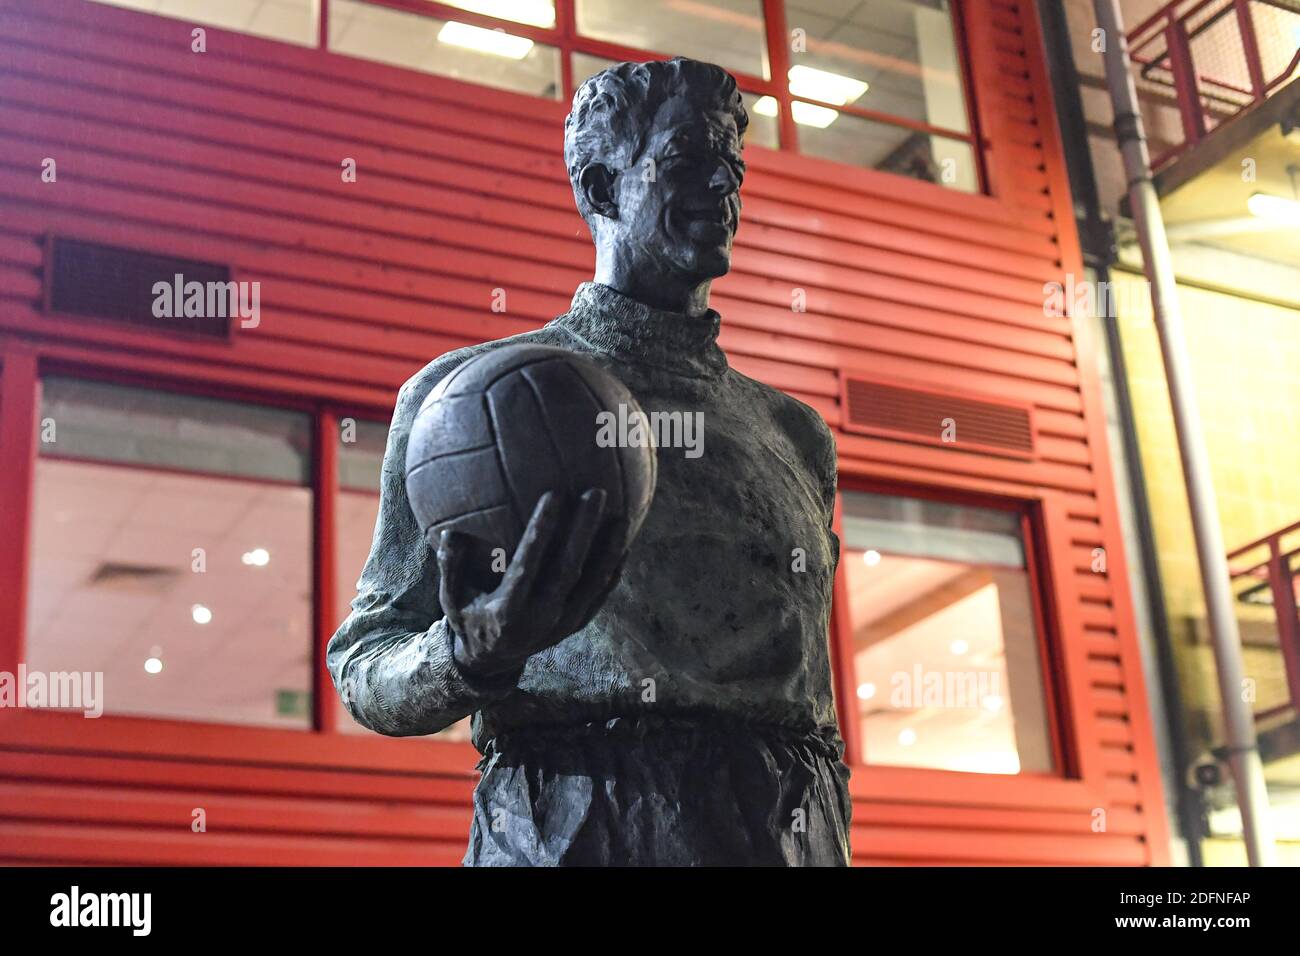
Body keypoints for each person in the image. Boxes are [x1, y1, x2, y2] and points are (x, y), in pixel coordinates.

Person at [329, 57, 851, 866]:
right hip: (570, 828)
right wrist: (468, 656)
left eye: (731, 165)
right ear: (603, 187)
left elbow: (814, 703)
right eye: (685, 162)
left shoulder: (794, 433)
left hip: (786, 833)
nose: (722, 187)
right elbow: (365, 666)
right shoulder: (465, 403)